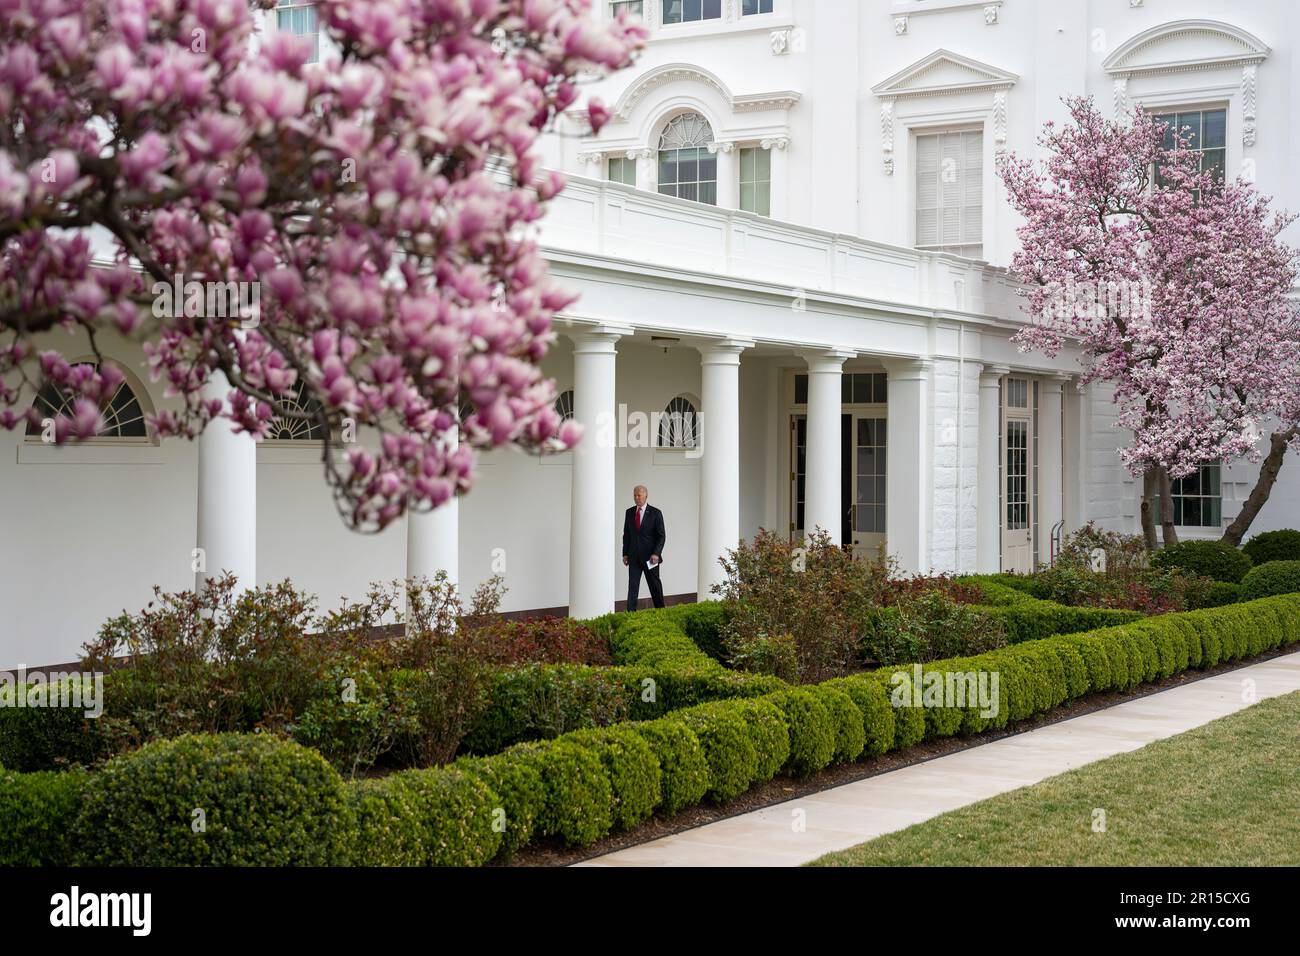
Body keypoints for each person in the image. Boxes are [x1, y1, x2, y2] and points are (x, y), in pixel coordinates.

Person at [622, 484, 666, 610]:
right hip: (634, 557)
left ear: (646, 496)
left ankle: (661, 611)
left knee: (655, 586)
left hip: (650, 558)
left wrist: (656, 553)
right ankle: (630, 614)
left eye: (639, 495)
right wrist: (625, 553)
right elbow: (626, 535)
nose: (636, 498)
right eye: (634, 495)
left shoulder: (656, 513)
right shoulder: (629, 512)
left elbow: (661, 536)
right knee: (633, 587)